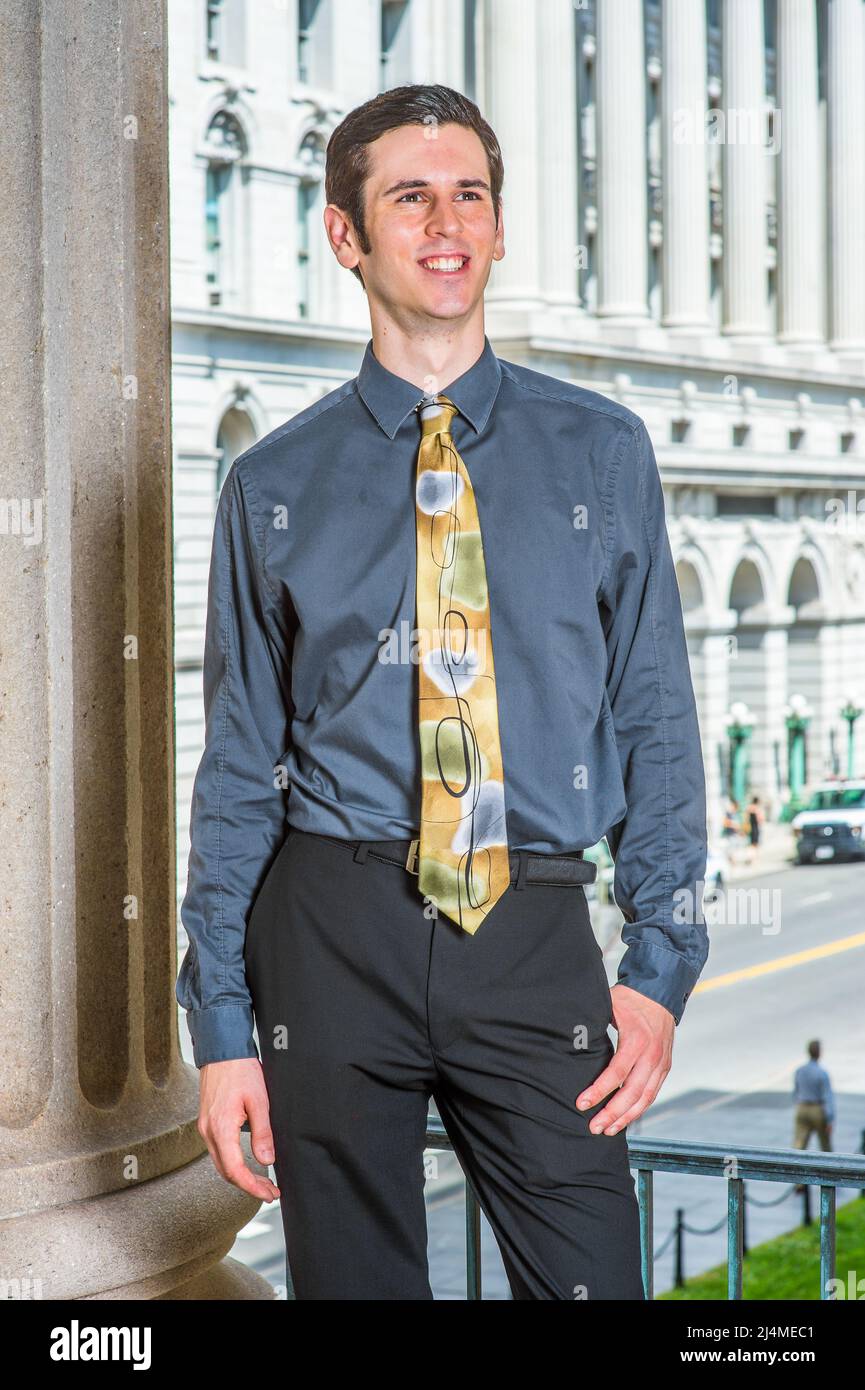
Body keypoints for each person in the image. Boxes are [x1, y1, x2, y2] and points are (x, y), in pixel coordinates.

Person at [175, 84, 709, 1301]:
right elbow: (238, 766)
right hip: (328, 933)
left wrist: (659, 965)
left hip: (531, 929)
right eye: (408, 197)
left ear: (500, 226)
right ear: (346, 236)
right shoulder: (270, 482)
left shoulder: (601, 454)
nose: (446, 221)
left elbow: (656, 725)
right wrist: (220, 1029)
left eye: (469, 193)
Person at [792, 1041, 834, 1191]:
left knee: (799, 1145)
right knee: (825, 1145)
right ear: (819, 1053)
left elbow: (795, 1091)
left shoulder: (800, 1070)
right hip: (817, 1108)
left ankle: (798, 1182)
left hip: (802, 1107)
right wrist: (830, 1118)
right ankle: (830, 1176)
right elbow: (828, 1096)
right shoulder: (822, 1073)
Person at [744, 793, 764, 865]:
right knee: (755, 844)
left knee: (751, 843)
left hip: (750, 827)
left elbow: (746, 818)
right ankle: (753, 858)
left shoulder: (749, 808)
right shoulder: (757, 809)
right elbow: (760, 819)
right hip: (755, 828)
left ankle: (750, 857)